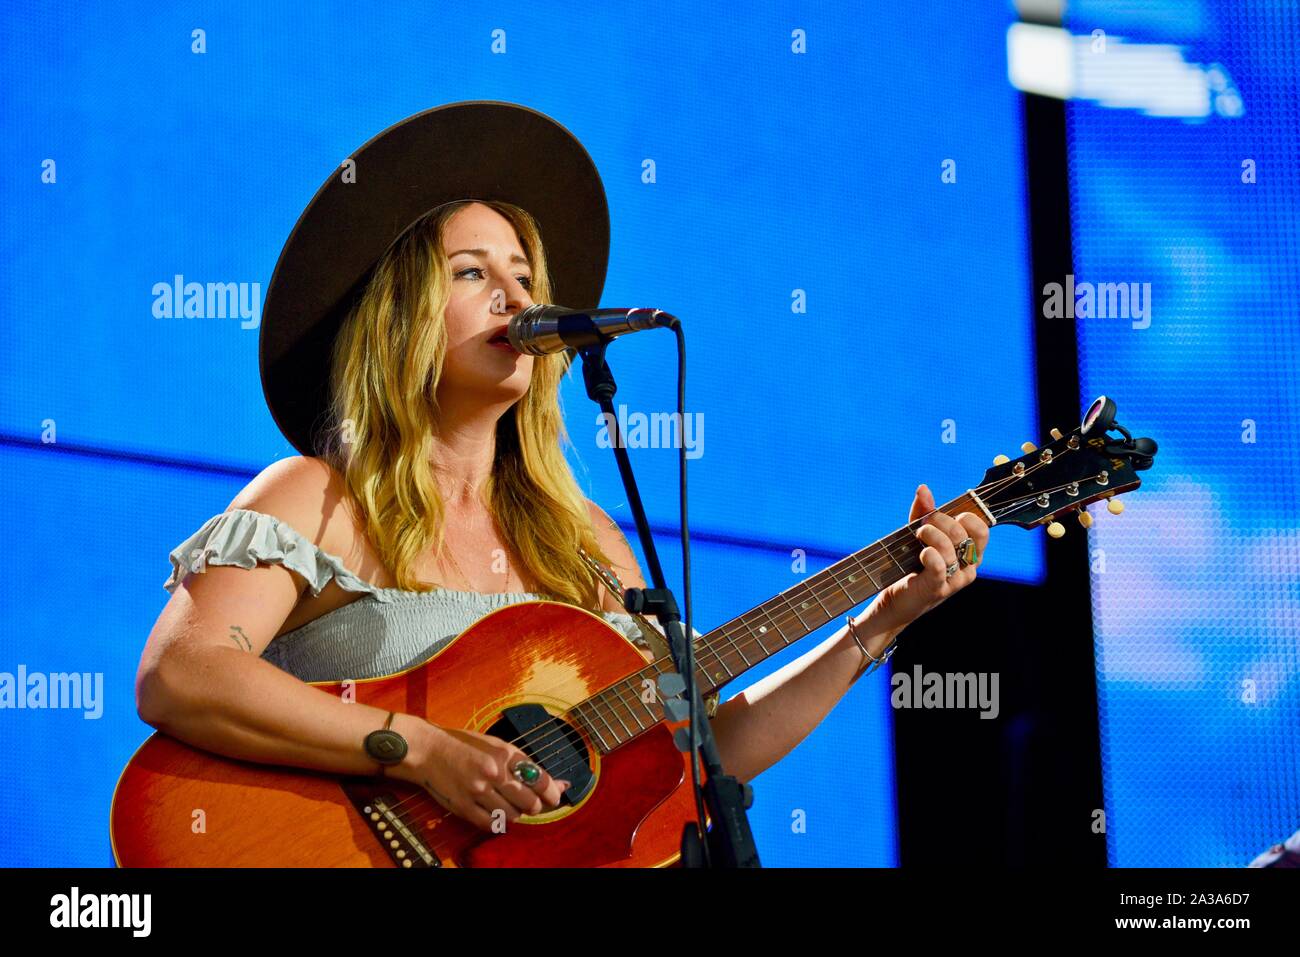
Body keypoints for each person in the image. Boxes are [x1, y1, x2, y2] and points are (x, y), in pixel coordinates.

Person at [135, 101, 990, 841]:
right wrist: (425, 749)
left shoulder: (581, 542)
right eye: (472, 273)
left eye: (523, 274)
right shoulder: (314, 497)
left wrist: (882, 618)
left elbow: (710, 745)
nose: (516, 297)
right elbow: (181, 673)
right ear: (397, 319)